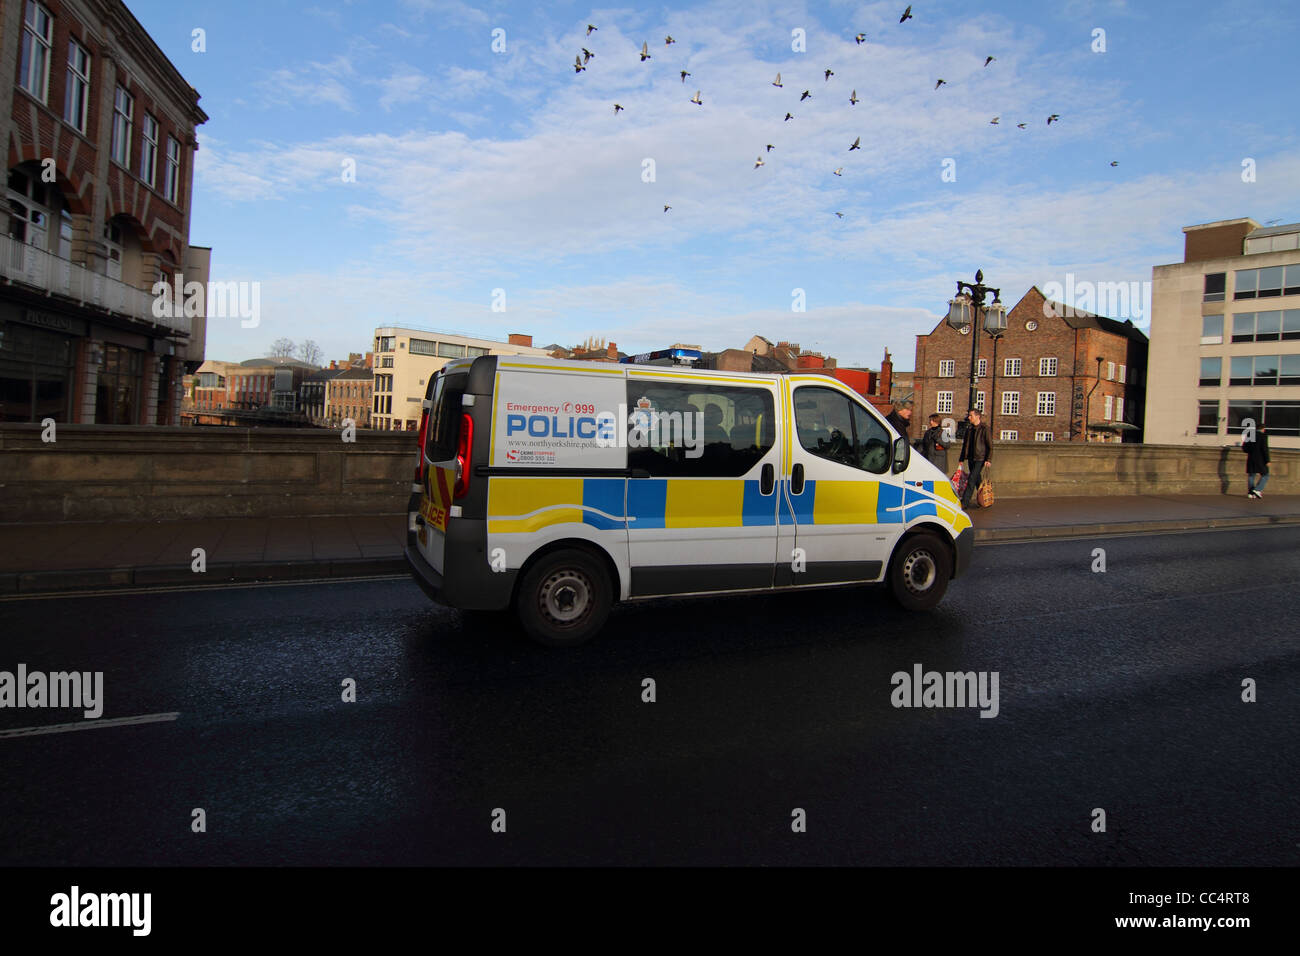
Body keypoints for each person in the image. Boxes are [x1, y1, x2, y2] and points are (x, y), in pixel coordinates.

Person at [958, 408, 991, 509]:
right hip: (971, 457)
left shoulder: (985, 428)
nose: (969, 417)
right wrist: (961, 459)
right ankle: (984, 499)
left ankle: (964, 502)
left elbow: (990, 445)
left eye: (971, 415)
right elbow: (965, 445)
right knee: (977, 479)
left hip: (980, 458)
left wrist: (988, 459)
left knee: (971, 479)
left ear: (977, 416)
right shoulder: (970, 429)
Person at [1243, 425, 1270, 498]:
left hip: (1251, 458)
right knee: (1266, 475)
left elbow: (1244, 448)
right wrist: (1267, 460)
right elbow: (1265, 449)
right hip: (1260, 459)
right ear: (1263, 429)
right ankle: (1257, 489)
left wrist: (1251, 451)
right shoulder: (1263, 436)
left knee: (1251, 475)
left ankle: (1251, 493)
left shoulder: (1250, 435)